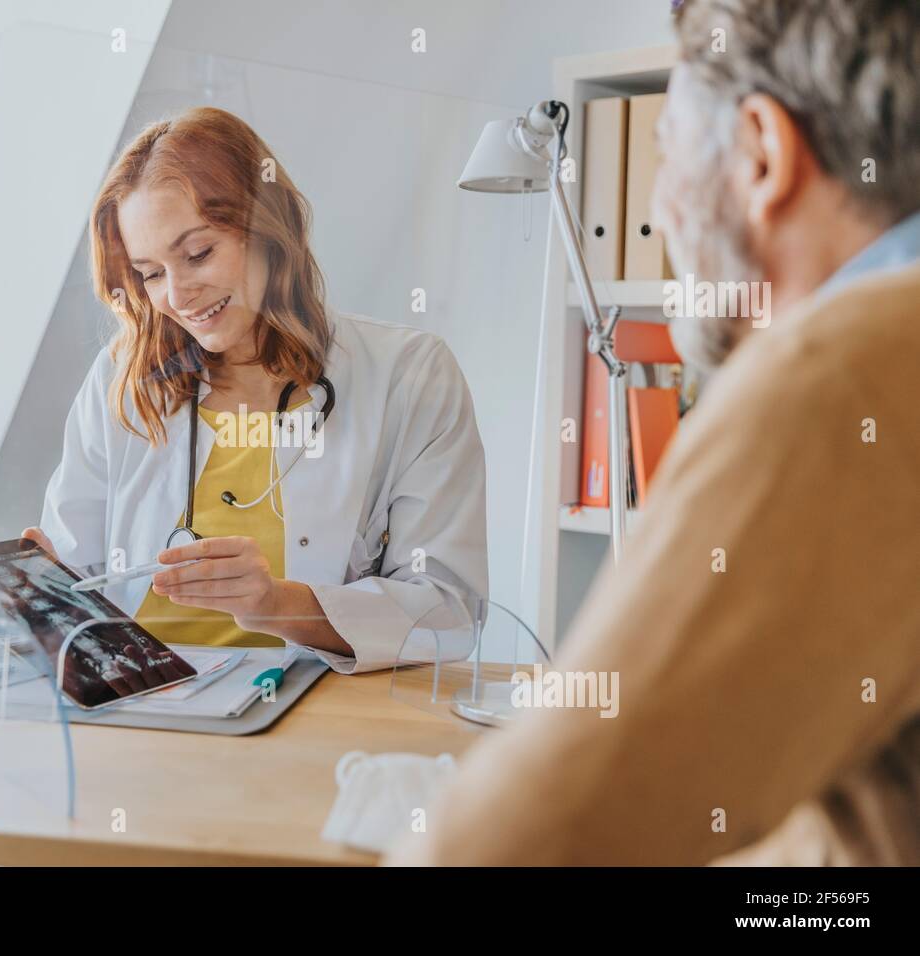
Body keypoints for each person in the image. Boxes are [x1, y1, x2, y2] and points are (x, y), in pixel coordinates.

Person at [391, 0, 920, 865]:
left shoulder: (839, 375)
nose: (660, 214)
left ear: (762, 154)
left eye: (666, 152)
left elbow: (501, 848)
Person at [23, 107, 487, 674]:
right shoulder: (121, 379)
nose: (178, 294)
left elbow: (448, 611)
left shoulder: (411, 374)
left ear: (269, 228)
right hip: (144, 706)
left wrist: (275, 605)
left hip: (308, 707)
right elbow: (81, 582)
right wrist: (43, 594)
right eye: (150, 273)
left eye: (198, 254)